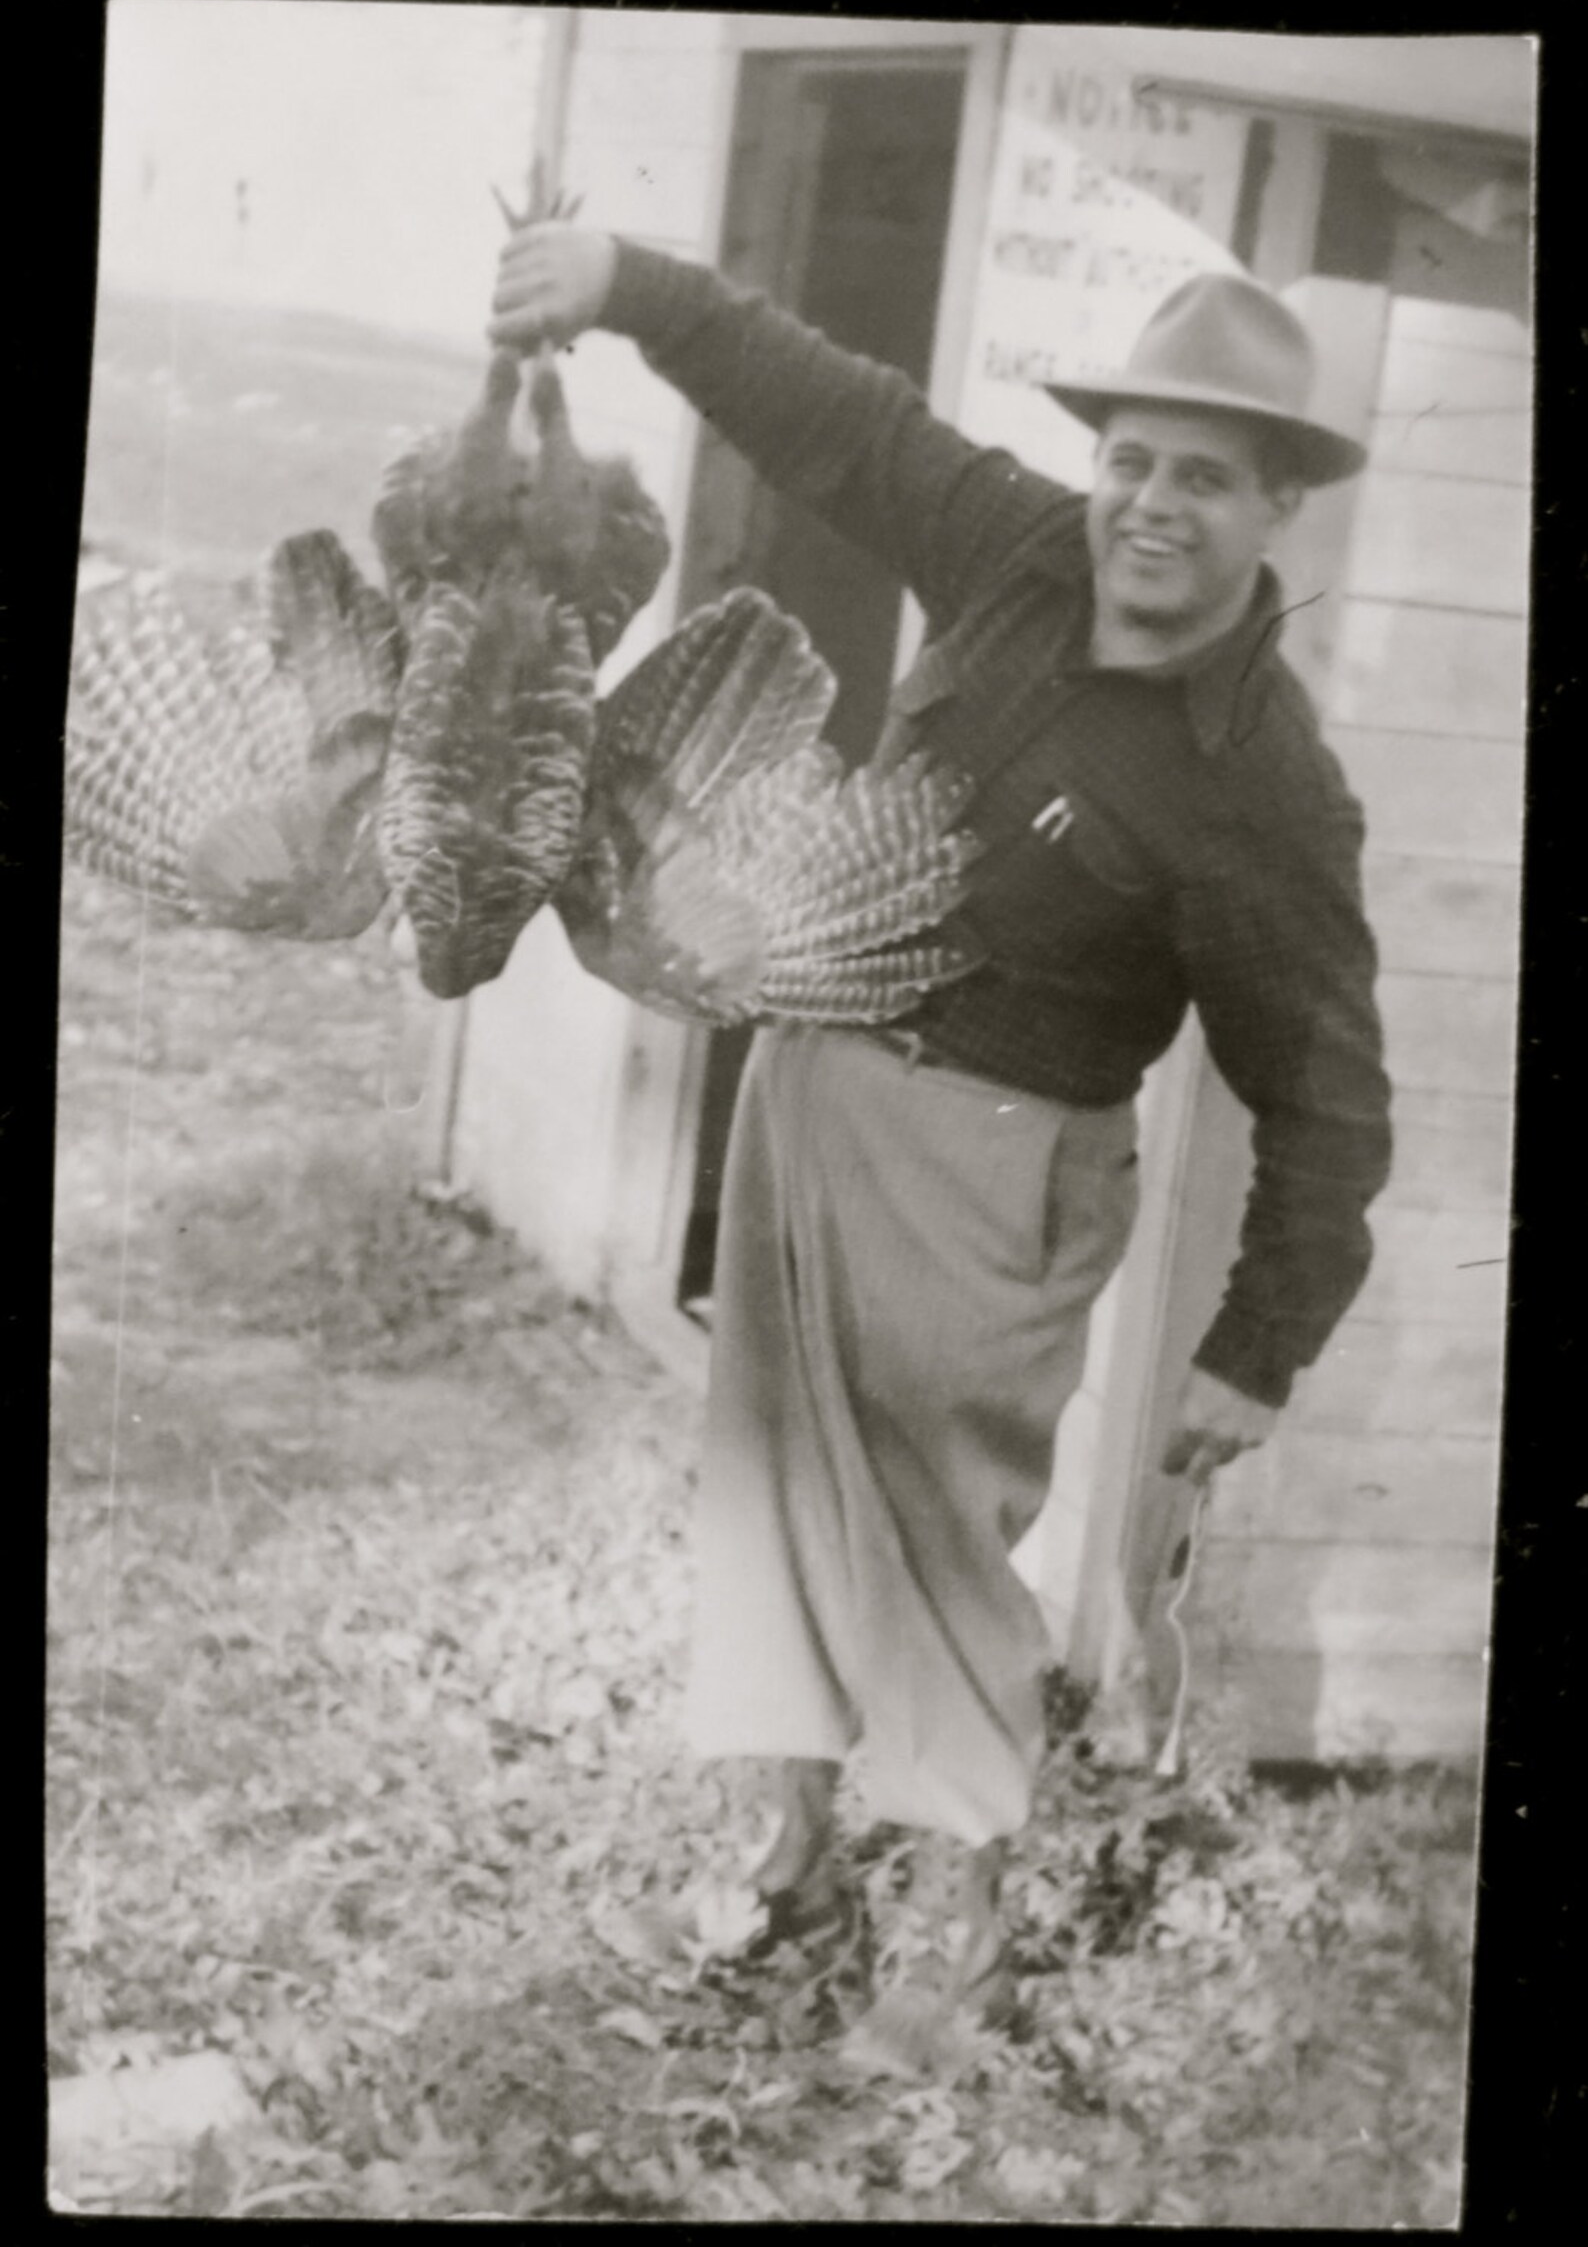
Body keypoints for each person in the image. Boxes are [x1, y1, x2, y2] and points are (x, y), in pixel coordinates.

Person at [489, 232, 1393, 2056]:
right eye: (1131, 459)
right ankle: (779, 1856)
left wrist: (1257, 1348)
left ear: (1276, 504)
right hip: (811, 1082)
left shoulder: (1265, 785)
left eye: (1203, 477)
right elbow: (831, 414)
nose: (1147, 505)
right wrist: (632, 285)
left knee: (932, 1539)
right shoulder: (1012, 547)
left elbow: (1328, 1093)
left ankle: (956, 1935)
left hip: (996, 1162)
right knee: (764, 1484)